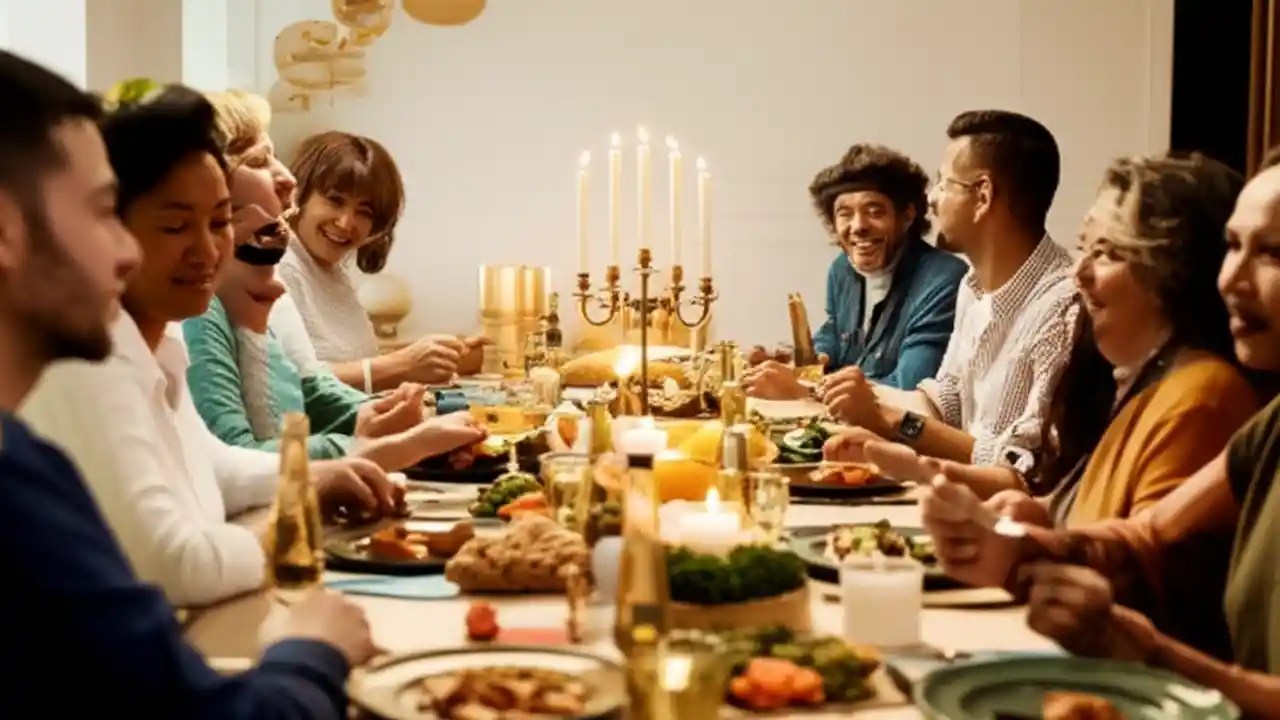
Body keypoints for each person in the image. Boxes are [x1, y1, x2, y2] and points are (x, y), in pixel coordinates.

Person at [0, 49, 371, 719]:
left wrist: (319, 477)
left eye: (219, 221)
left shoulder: (27, 449)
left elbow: (207, 466)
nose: (125, 252)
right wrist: (310, 650)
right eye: (103, 213)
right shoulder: (19, 472)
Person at [918, 148, 1280, 718]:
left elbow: (1160, 590)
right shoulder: (1268, 423)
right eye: (1233, 247)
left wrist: (1150, 652)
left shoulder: (1206, 394)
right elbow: (1150, 536)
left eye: (1272, 253)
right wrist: (1018, 547)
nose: (1231, 278)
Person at [829, 154, 1259, 517]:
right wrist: (918, 468)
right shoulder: (1133, 377)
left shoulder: (1200, 398)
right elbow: (1064, 506)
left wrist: (901, 435)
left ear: (1173, 273)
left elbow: (1132, 559)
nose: (1078, 273)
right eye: (1084, 247)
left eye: (1107, 253)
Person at [184, 90, 484, 467]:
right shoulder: (198, 304)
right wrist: (385, 442)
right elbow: (236, 455)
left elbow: (309, 389)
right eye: (260, 161)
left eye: (365, 212)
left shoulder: (279, 273)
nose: (287, 178)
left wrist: (403, 420)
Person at [821, 110, 1078, 474]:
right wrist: (854, 401)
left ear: (983, 196)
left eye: (943, 183)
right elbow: (946, 401)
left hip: (990, 506)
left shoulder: (1062, 309)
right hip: (952, 490)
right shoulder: (973, 286)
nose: (931, 199)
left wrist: (887, 419)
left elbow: (1026, 469)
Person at [743, 144, 966, 397]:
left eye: (874, 212)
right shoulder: (841, 269)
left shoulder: (944, 280)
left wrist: (804, 390)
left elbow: (909, 390)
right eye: (845, 214)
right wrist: (798, 363)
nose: (858, 226)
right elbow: (835, 332)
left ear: (907, 215)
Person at [277, 130, 485, 392]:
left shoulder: (331, 273)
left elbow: (356, 367)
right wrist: (402, 365)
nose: (346, 223)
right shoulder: (278, 266)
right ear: (299, 194)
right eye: (335, 201)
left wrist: (440, 357)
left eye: (363, 212)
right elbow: (287, 382)